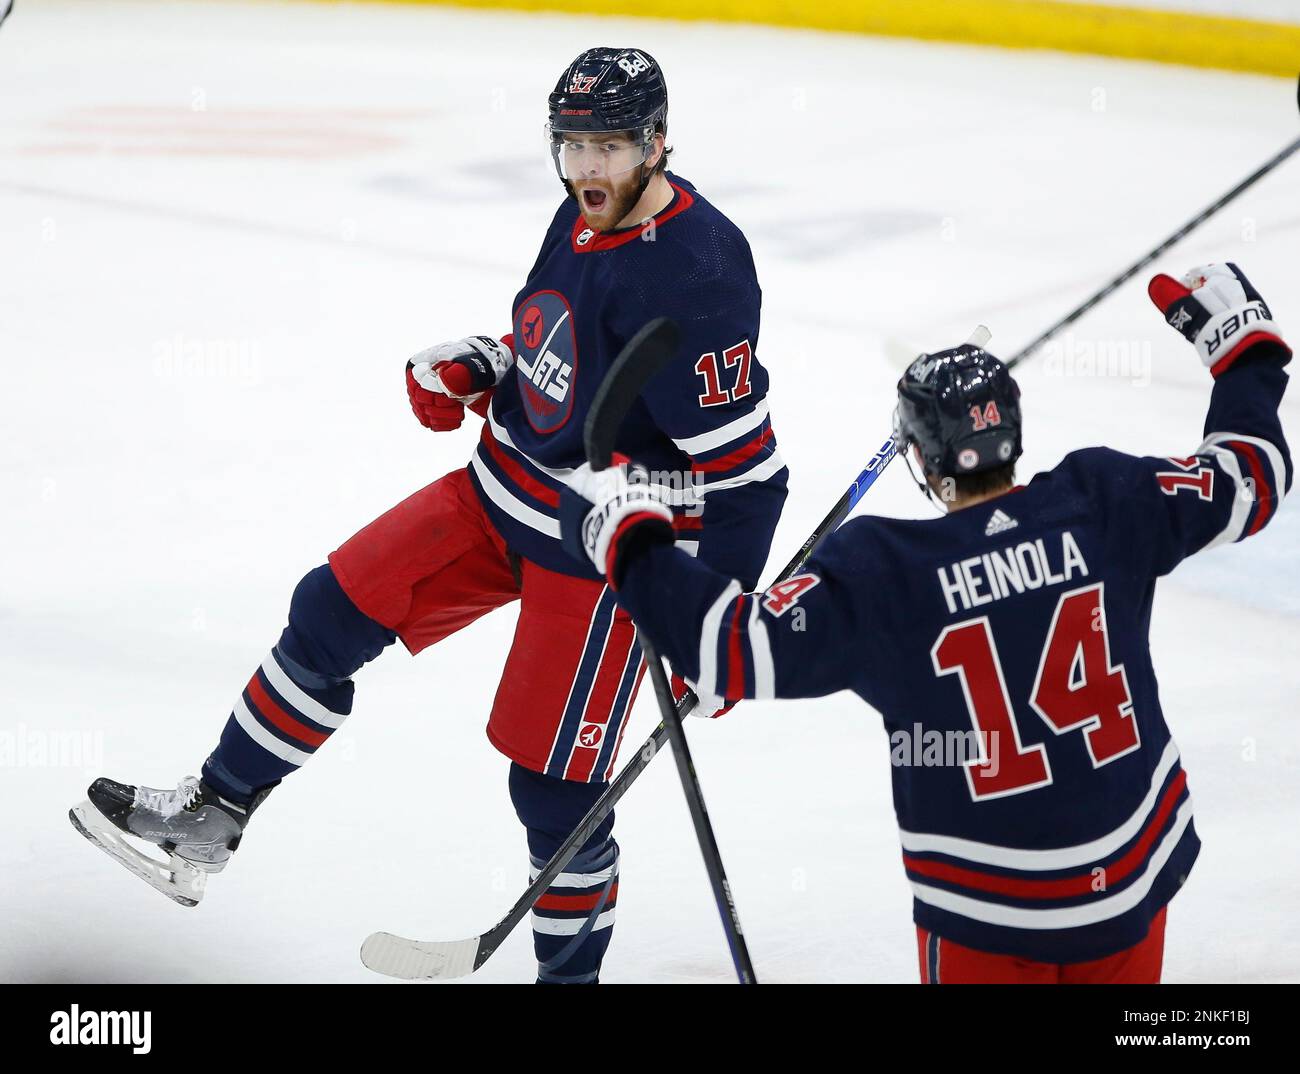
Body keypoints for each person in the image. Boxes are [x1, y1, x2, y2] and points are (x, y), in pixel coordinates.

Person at [70, 46, 788, 985]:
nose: (586, 171)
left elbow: (749, 473)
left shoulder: (699, 272)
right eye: (572, 147)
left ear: (657, 143)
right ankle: (213, 815)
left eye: (609, 147)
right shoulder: (582, 212)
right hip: (499, 494)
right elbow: (560, 353)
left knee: (552, 791)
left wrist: (717, 617)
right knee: (329, 608)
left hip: (603, 548)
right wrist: (488, 365)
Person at [560, 262, 1290, 983]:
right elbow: (1252, 477)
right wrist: (1245, 356)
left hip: (991, 910)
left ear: (917, 455)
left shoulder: (888, 571)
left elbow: (725, 648)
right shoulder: (1107, 498)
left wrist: (631, 541)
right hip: (1131, 879)